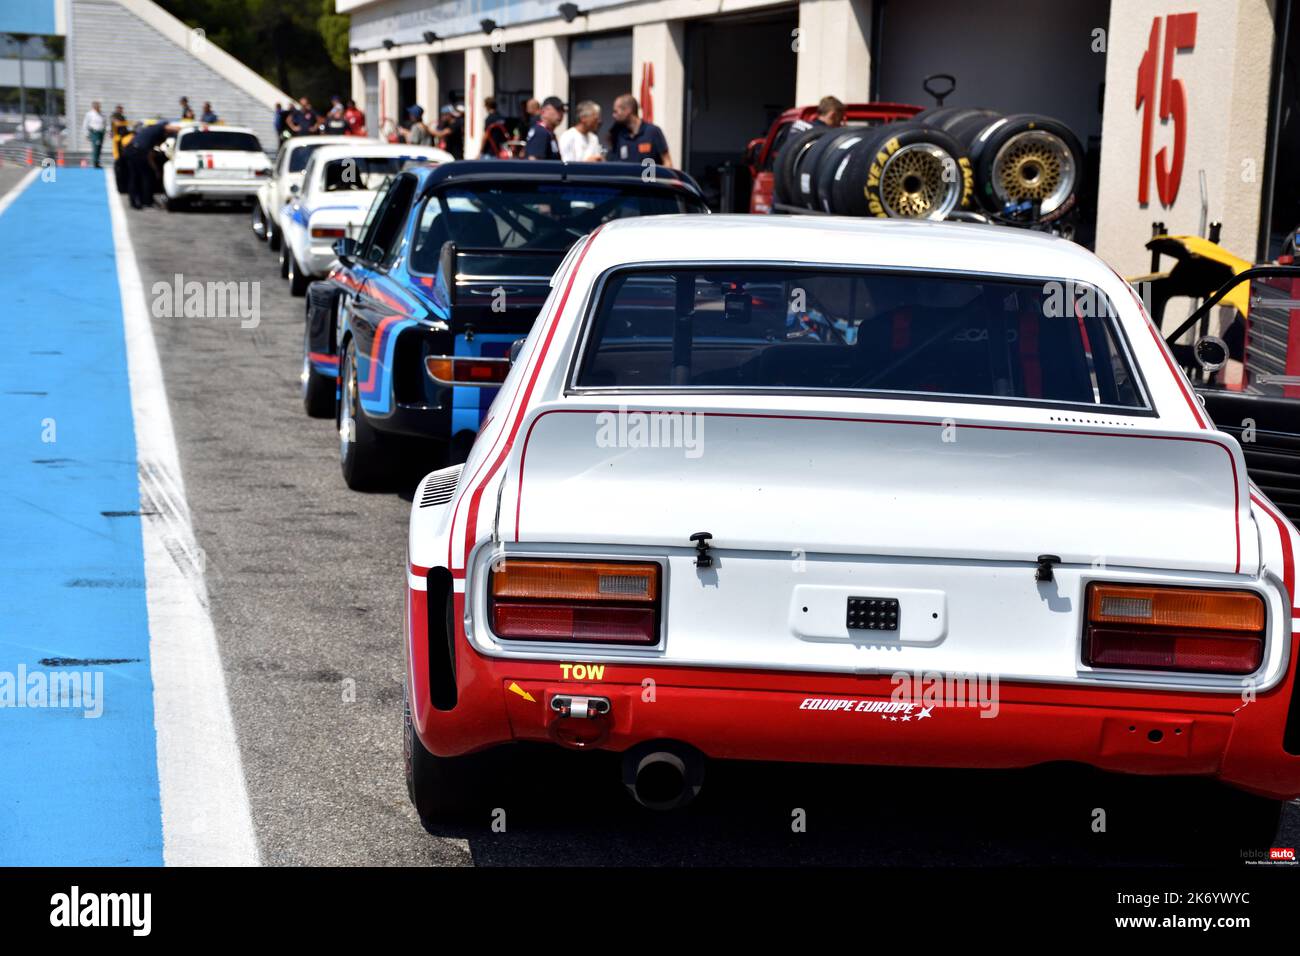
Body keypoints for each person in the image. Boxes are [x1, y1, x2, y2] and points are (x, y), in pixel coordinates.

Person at [125, 120, 179, 209]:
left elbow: (150, 155)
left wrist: (155, 169)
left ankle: (135, 202)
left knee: (135, 177)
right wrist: (183, 129)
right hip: (138, 151)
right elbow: (171, 128)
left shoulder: (151, 134)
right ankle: (147, 202)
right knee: (146, 176)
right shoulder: (159, 128)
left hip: (131, 150)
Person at [610, 93, 672, 167]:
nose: (613, 115)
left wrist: (663, 177)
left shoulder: (653, 132)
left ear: (628, 110)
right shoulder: (620, 135)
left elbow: (667, 161)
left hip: (650, 178)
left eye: (616, 111)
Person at [524, 96, 564, 160]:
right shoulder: (540, 132)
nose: (561, 114)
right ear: (544, 111)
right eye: (558, 110)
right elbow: (534, 162)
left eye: (563, 110)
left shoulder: (548, 132)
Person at [83, 101, 106, 168]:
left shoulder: (102, 114)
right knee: (96, 147)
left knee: (99, 148)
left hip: (101, 132)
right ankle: (95, 162)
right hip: (94, 132)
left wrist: (107, 131)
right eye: (96, 106)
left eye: (98, 106)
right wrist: (86, 134)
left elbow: (105, 123)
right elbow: (85, 124)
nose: (98, 107)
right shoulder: (89, 114)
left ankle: (97, 161)